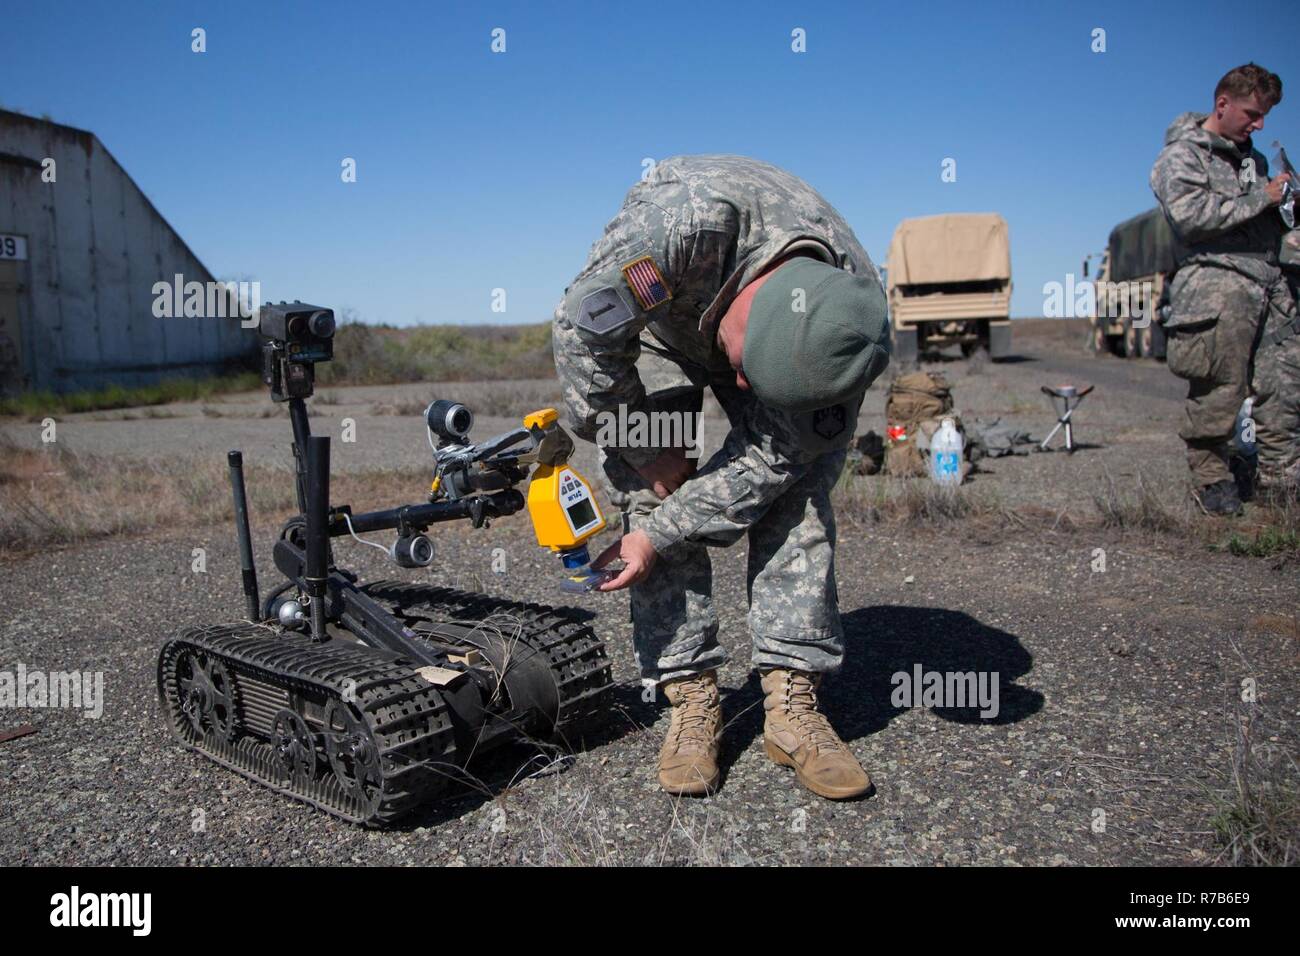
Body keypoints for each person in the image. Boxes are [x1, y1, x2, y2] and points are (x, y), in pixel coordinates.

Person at [552, 155, 889, 799]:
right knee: (651, 485)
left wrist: (659, 538)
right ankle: (690, 697)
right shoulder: (677, 231)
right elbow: (581, 334)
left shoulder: (852, 324)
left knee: (799, 494)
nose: (736, 386)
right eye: (742, 365)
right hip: (655, 334)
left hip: (764, 336)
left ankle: (793, 706)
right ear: (744, 301)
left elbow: (770, 461)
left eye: (750, 380)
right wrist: (641, 446)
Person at [1151, 63, 1297, 514]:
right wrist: (1263, 198)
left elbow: (1259, 218)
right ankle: (1212, 478)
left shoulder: (1252, 160)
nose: (1260, 124)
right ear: (1222, 104)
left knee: (1285, 387)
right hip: (1217, 288)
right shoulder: (1182, 155)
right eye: (1253, 113)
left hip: (1273, 285)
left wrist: (1287, 209)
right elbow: (1191, 217)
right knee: (1220, 389)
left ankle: (1281, 482)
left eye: (1266, 114)